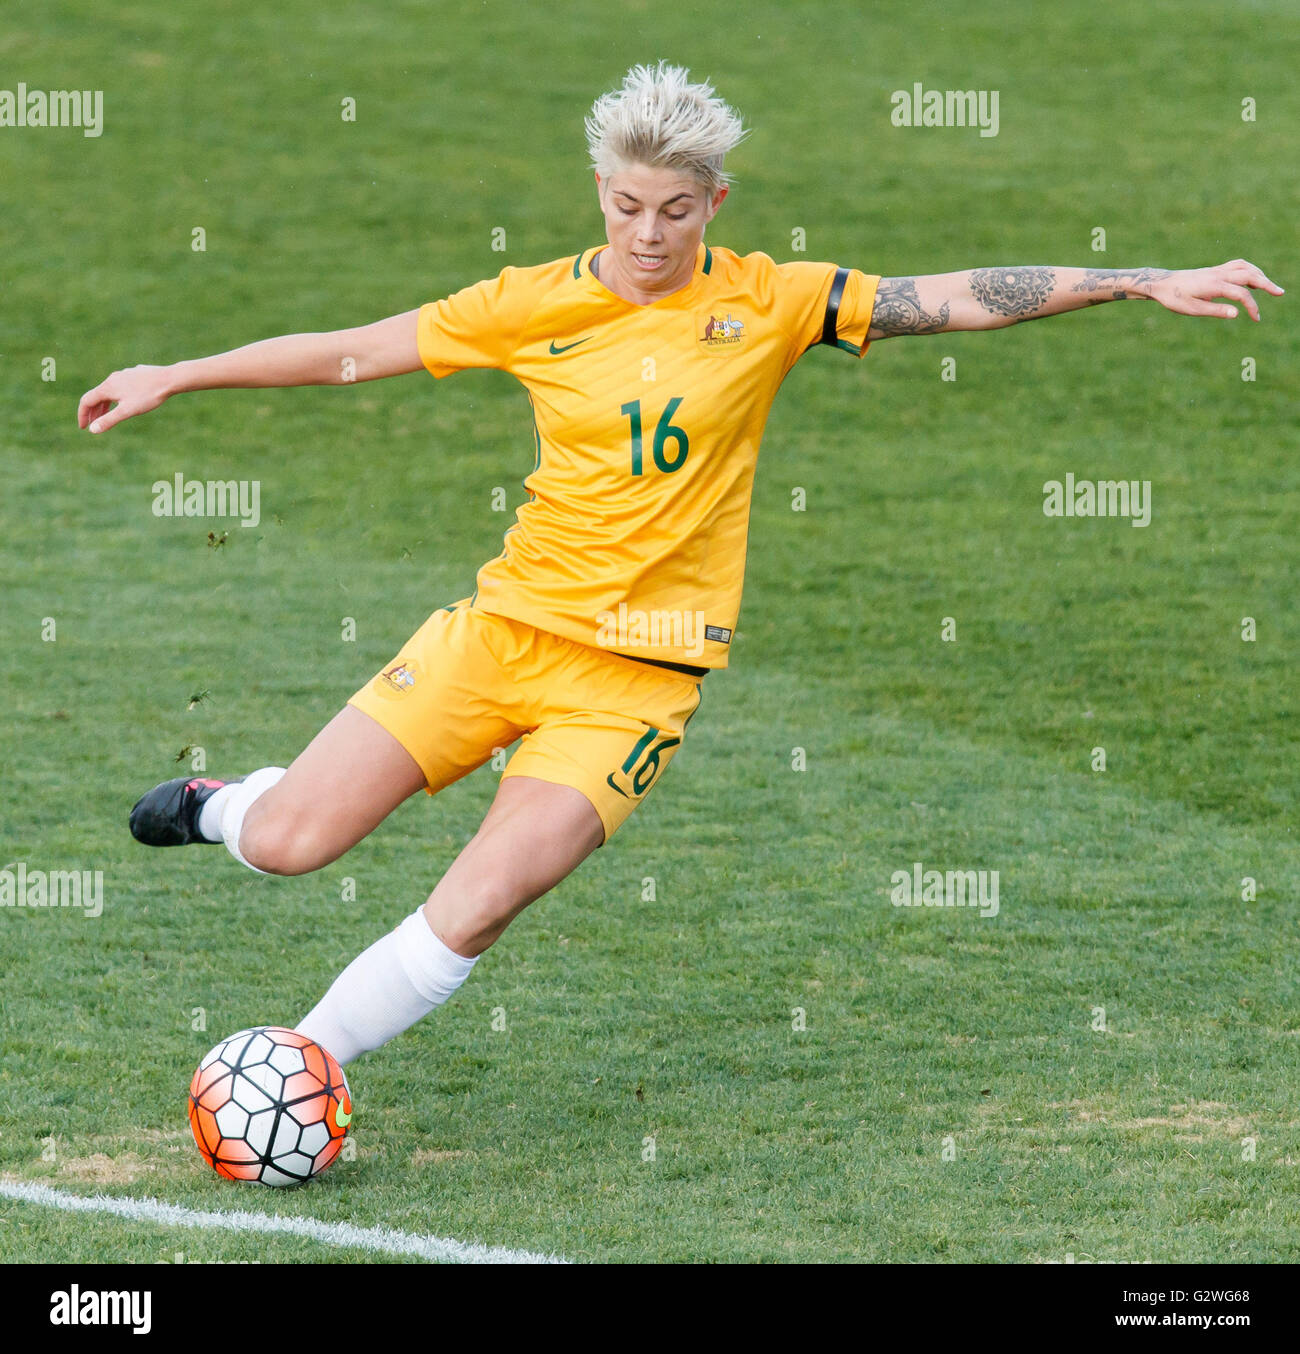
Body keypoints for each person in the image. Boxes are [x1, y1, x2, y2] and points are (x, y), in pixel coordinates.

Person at [78, 61, 1281, 1068]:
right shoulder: (527, 302)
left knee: (480, 903)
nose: (648, 235)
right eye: (626, 206)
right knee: (294, 844)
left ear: (716, 201)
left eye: (676, 210)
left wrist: (1137, 278)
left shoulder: (772, 302)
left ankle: (306, 1063)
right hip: (499, 636)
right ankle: (225, 805)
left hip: (637, 687)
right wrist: (178, 372)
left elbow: (951, 297)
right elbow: (351, 353)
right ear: (599, 193)